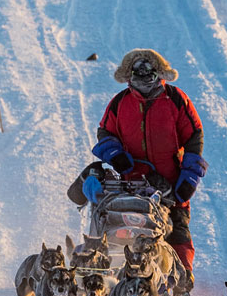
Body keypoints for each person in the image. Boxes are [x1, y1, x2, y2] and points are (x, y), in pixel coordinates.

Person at [88, 48, 206, 283]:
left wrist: (189, 176)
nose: (143, 77)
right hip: (128, 180)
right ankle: (100, 269)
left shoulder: (176, 99)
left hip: (170, 181)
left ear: (158, 72)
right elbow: (105, 132)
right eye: (137, 72)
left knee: (177, 227)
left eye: (148, 72)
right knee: (109, 220)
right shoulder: (120, 102)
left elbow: (194, 136)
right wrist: (116, 155)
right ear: (129, 75)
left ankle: (182, 276)